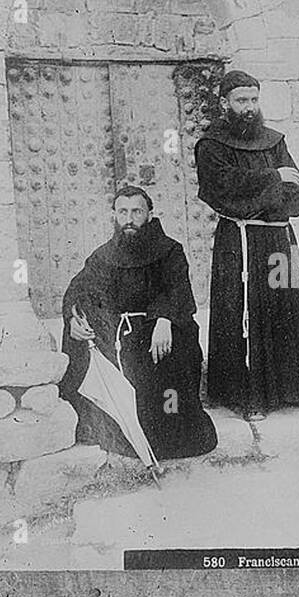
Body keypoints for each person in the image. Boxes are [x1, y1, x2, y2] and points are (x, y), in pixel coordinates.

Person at [195, 70, 299, 420]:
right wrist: (271, 179)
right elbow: (221, 189)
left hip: (277, 236)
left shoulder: (274, 141)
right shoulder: (211, 146)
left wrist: (265, 192)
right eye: (241, 100)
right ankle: (248, 396)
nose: (249, 108)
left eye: (253, 100)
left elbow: (297, 188)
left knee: (291, 311)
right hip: (240, 240)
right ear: (224, 104)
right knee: (241, 313)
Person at [58, 185, 218, 460]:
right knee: (79, 338)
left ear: (149, 214)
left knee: (171, 353)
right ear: (115, 216)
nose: (129, 218)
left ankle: (170, 437)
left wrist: (165, 318)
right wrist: (74, 317)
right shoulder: (104, 255)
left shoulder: (169, 251)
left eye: (136, 211)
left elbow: (178, 290)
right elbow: (79, 290)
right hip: (123, 336)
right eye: (123, 212)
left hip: (159, 332)